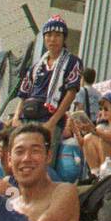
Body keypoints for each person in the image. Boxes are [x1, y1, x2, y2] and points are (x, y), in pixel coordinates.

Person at [12, 15, 83, 146]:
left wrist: (52, 122)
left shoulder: (72, 62)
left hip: (49, 119)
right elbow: (24, 94)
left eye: (57, 35)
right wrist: (16, 117)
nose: (52, 39)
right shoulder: (36, 65)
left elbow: (70, 93)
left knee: (44, 159)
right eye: (48, 35)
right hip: (27, 117)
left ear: (64, 38)